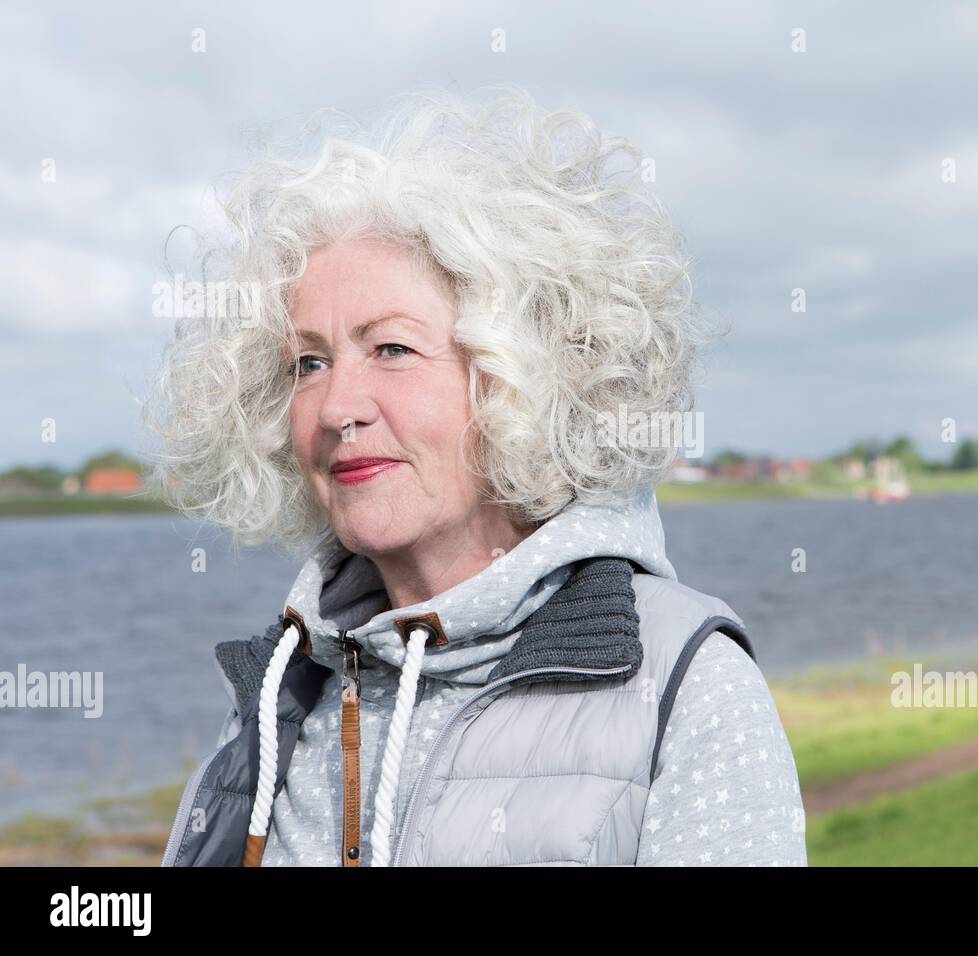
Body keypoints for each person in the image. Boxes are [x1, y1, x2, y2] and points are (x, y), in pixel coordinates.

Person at [144, 85, 806, 867]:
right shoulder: (283, 688)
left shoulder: (680, 683)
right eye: (308, 362)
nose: (337, 406)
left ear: (523, 375)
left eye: (391, 348)